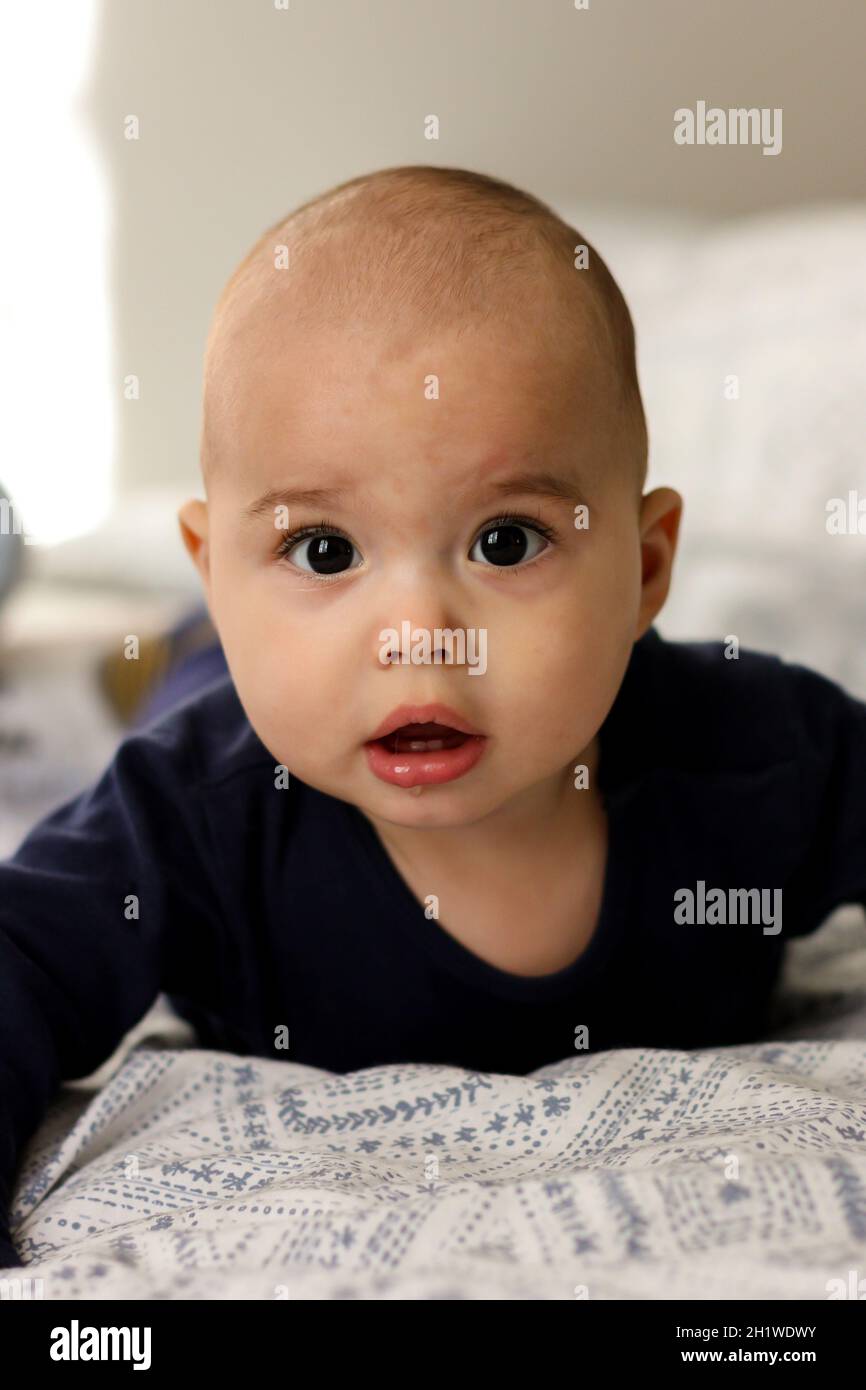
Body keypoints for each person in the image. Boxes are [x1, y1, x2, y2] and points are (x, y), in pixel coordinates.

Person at [1, 166, 864, 1269]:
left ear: (644, 570)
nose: (417, 635)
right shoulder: (192, 817)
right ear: (220, 567)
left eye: (505, 542)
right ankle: (176, 640)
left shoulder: (758, 756)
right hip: (225, 688)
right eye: (324, 549)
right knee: (196, 689)